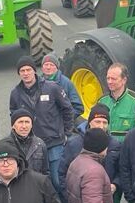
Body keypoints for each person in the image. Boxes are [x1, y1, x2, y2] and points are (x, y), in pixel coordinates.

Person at [10, 56, 76, 194]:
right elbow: (14, 117)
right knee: (38, 183)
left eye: (28, 70)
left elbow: (68, 109)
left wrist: (67, 133)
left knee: (58, 181)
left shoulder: (52, 88)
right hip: (31, 146)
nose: (26, 73)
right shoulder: (15, 94)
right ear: (19, 73)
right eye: (22, 70)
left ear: (34, 71)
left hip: (54, 143)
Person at [97, 62, 135, 137]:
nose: (109, 82)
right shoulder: (102, 101)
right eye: (108, 78)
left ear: (124, 80)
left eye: (113, 79)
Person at [41, 53, 84, 120]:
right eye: (46, 65)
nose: (48, 67)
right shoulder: (37, 83)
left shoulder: (66, 83)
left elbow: (78, 108)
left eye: (51, 65)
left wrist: (64, 120)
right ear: (42, 68)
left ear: (57, 67)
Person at [7, 109, 49, 175]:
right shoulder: (5, 145)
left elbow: (46, 172)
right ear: (13, 126)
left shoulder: (40, 144)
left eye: (27, 122)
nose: (24, 126)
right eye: (20, 122)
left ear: (31, 125)